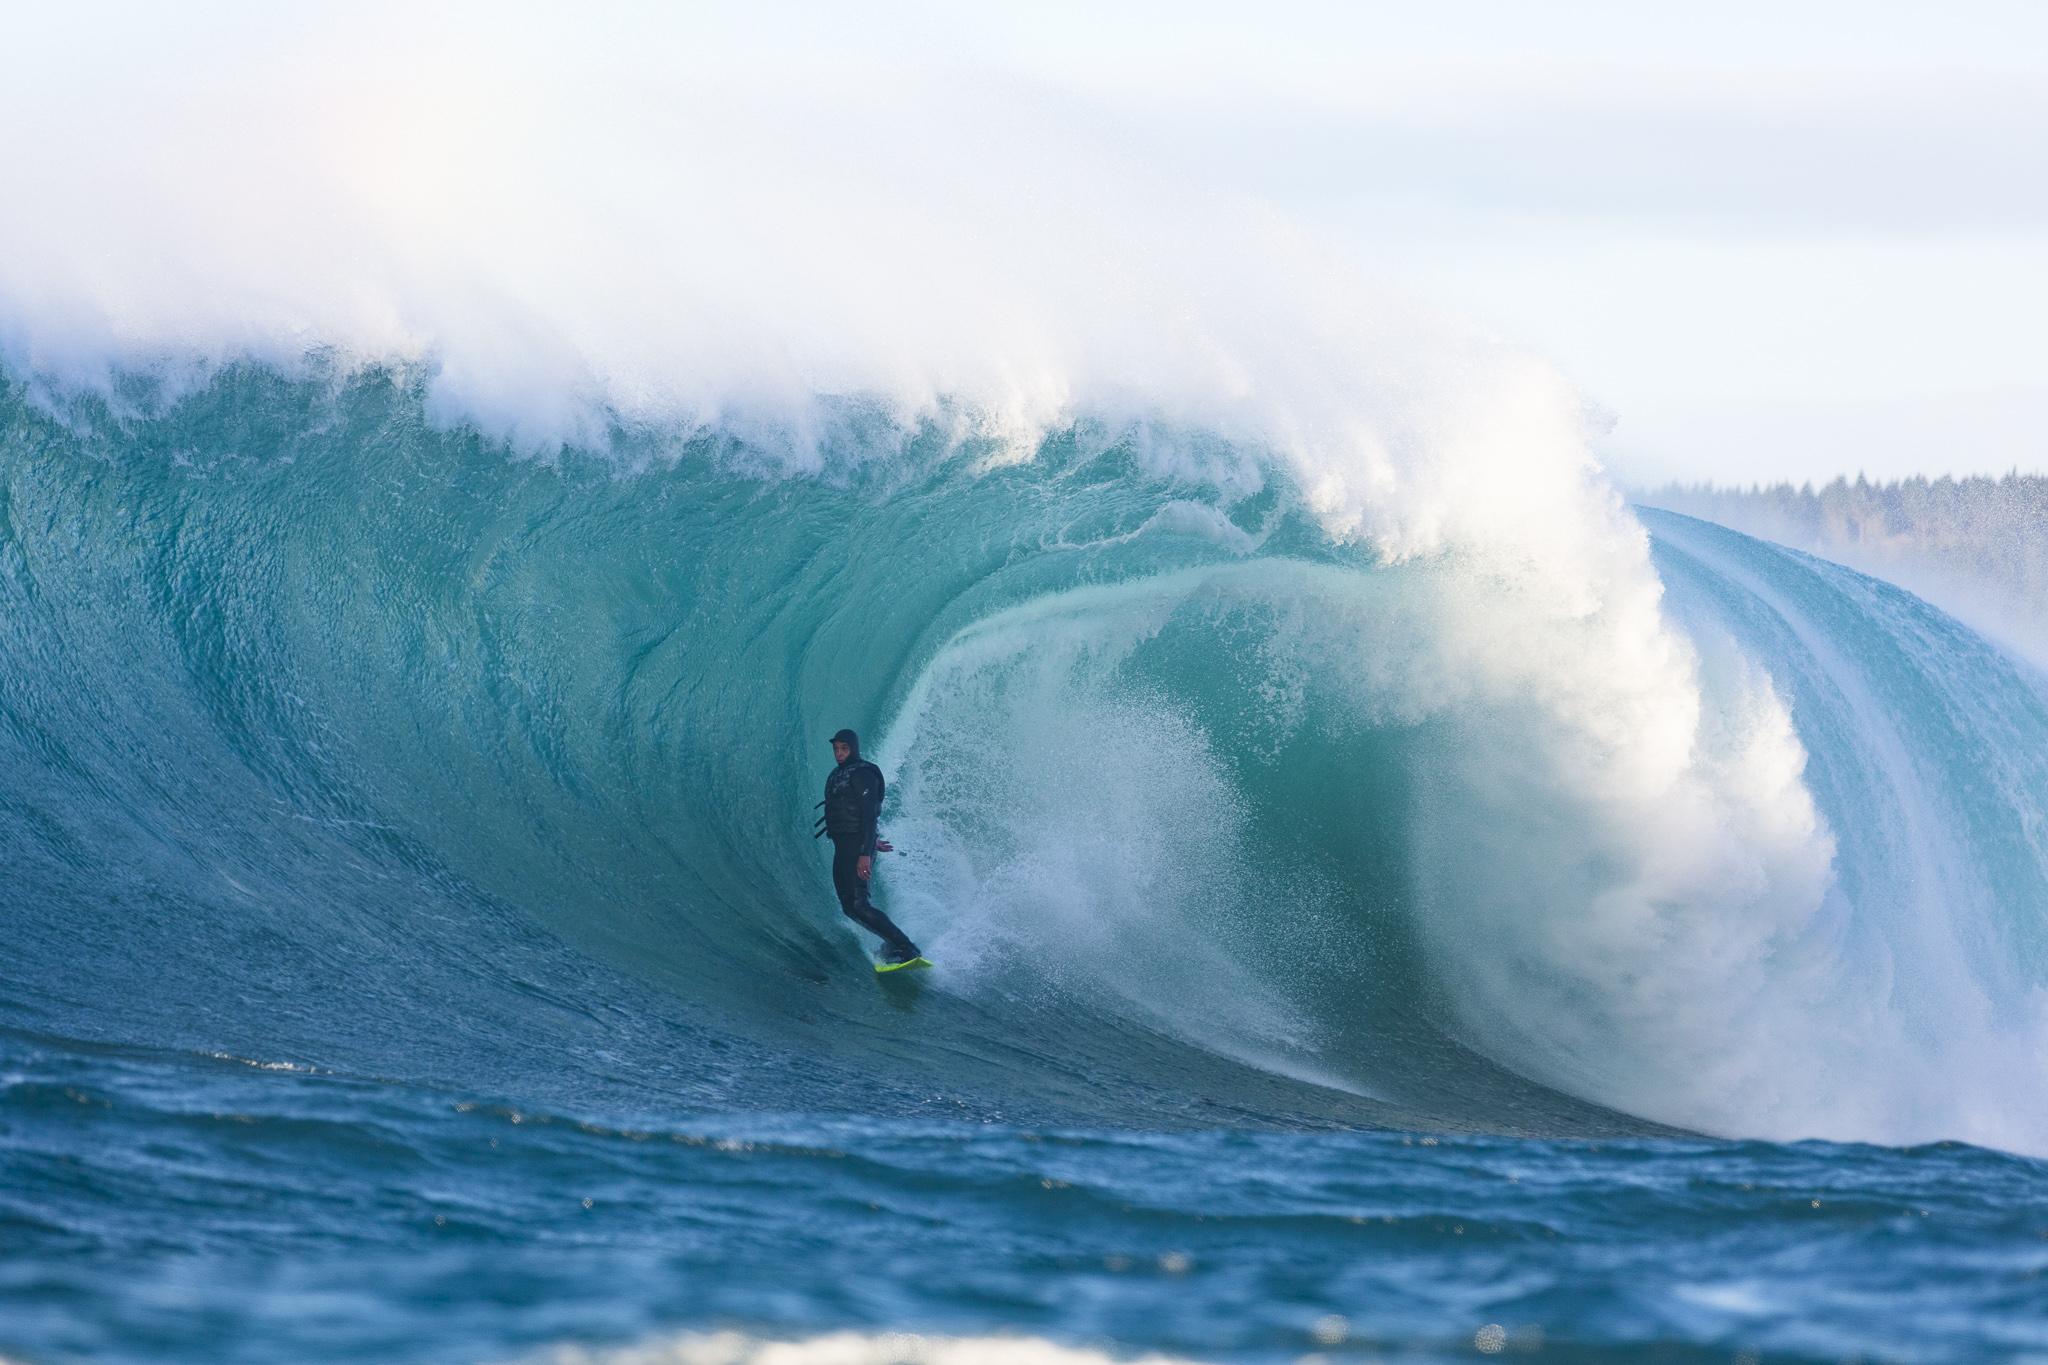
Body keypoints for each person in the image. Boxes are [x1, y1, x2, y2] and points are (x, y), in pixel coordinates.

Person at [818, 728, 922, 964]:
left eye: (845, 748)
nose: (839, 753)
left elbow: (869, 813)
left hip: (858, 848)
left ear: (854, 749)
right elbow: (850, 811)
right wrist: (872, 840)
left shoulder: (863, 773)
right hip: (844, 846)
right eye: (836, 749)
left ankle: (908, 947)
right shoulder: (838, 774)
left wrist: (866, 851)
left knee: (859, 903)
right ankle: (893, 943)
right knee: (849, 907)